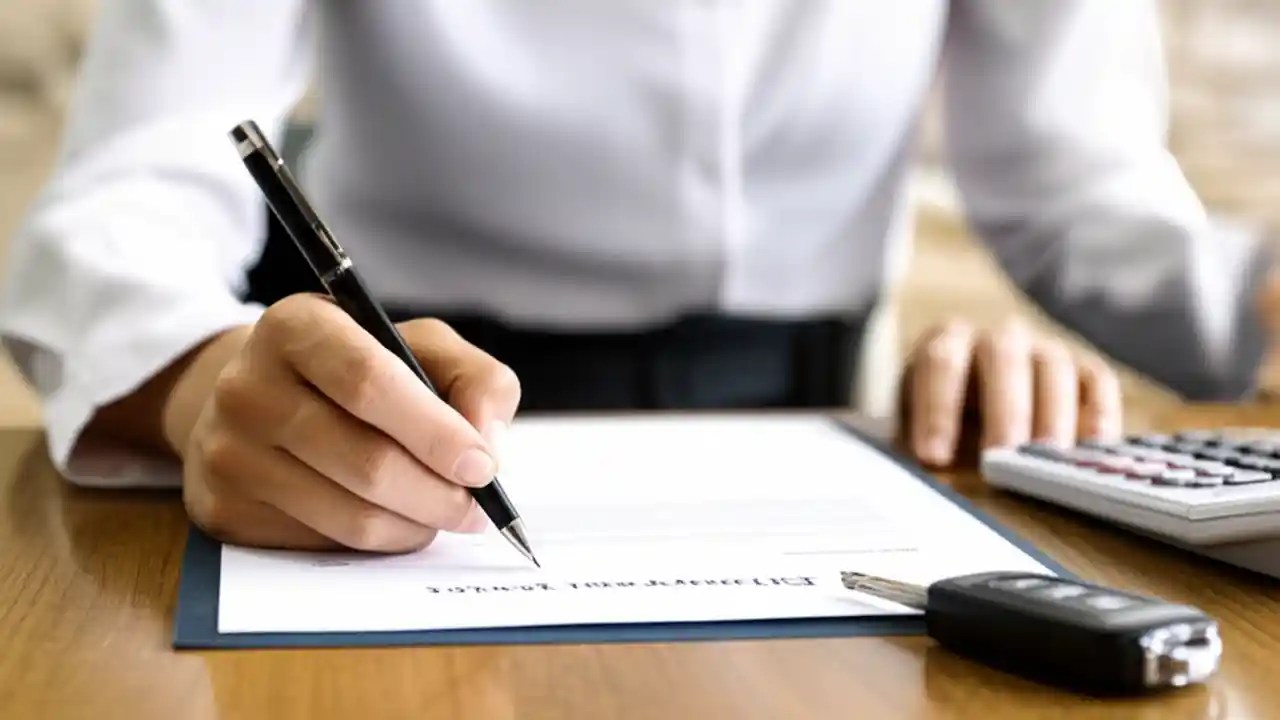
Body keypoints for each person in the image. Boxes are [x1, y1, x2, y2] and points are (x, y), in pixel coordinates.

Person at [0, 1, 1271, 552]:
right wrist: (193, 377)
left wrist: (1250, 301)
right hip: (395, 416)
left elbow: (1077, 181)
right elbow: (136, 178)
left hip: (819, 437)